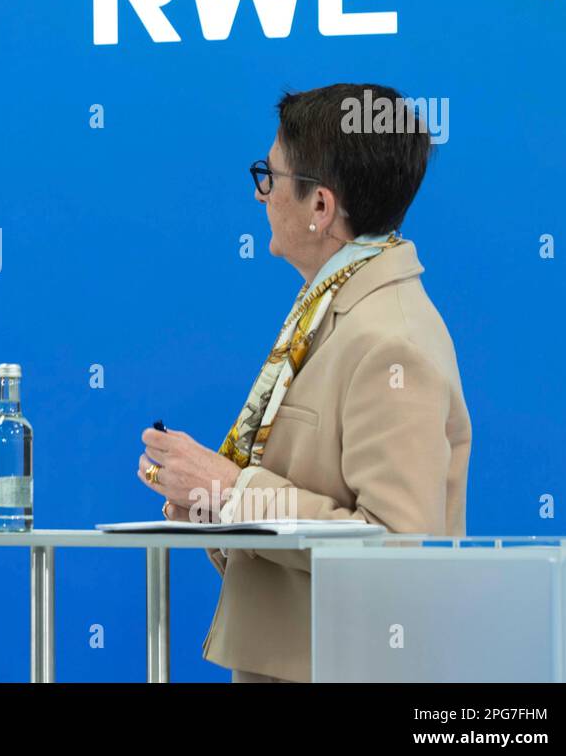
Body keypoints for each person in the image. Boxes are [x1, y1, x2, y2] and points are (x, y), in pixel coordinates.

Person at [135, 83, 471, 683]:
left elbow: (396, 548)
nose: (260, 194)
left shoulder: (389, 338)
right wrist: (212, 506)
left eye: (270, 176)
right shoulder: (328, 309)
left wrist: (232, 492)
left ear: (319, 206)